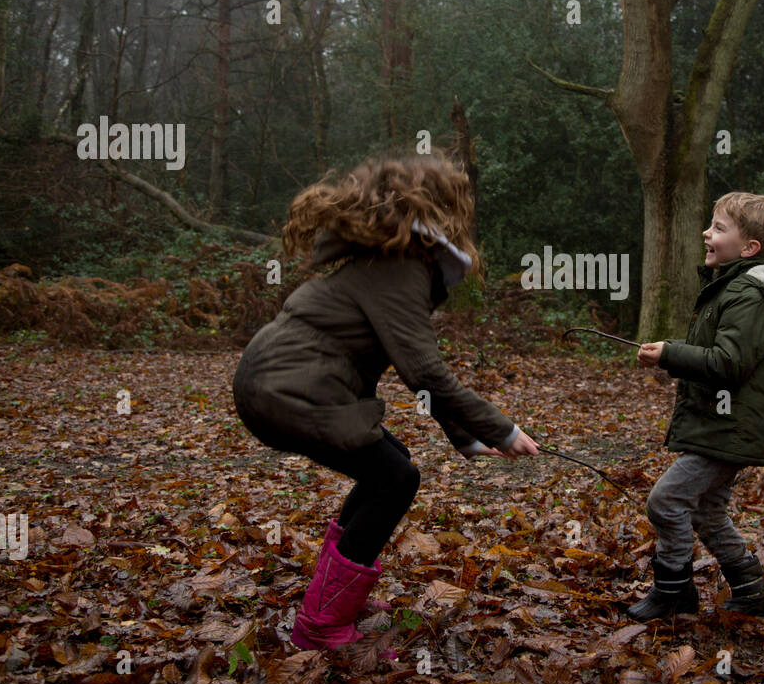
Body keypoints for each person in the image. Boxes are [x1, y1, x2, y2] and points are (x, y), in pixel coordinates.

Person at [231, 152, 539, 650]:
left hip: (279, 382)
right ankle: (323, 622)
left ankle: (335, 596)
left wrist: (466, 438)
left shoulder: (397, 261)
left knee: (391, 465)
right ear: (440, 208)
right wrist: (500, 428)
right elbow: (425, 373)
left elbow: (413, 370)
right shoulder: (399, 265)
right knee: (395, 479)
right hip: (287, 388)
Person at [631, 192, 764, 620]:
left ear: (750, 248)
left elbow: (729, 364)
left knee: (666, 501)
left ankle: (673, 593)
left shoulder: (747, 294)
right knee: (705, 509)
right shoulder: (730, 287)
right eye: (710, 224)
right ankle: (751, 592)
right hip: (722, 420)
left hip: (730, 424)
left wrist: (670, 354)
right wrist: (673, 350)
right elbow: (719, 352)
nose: (707, 232)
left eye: (719, 228)